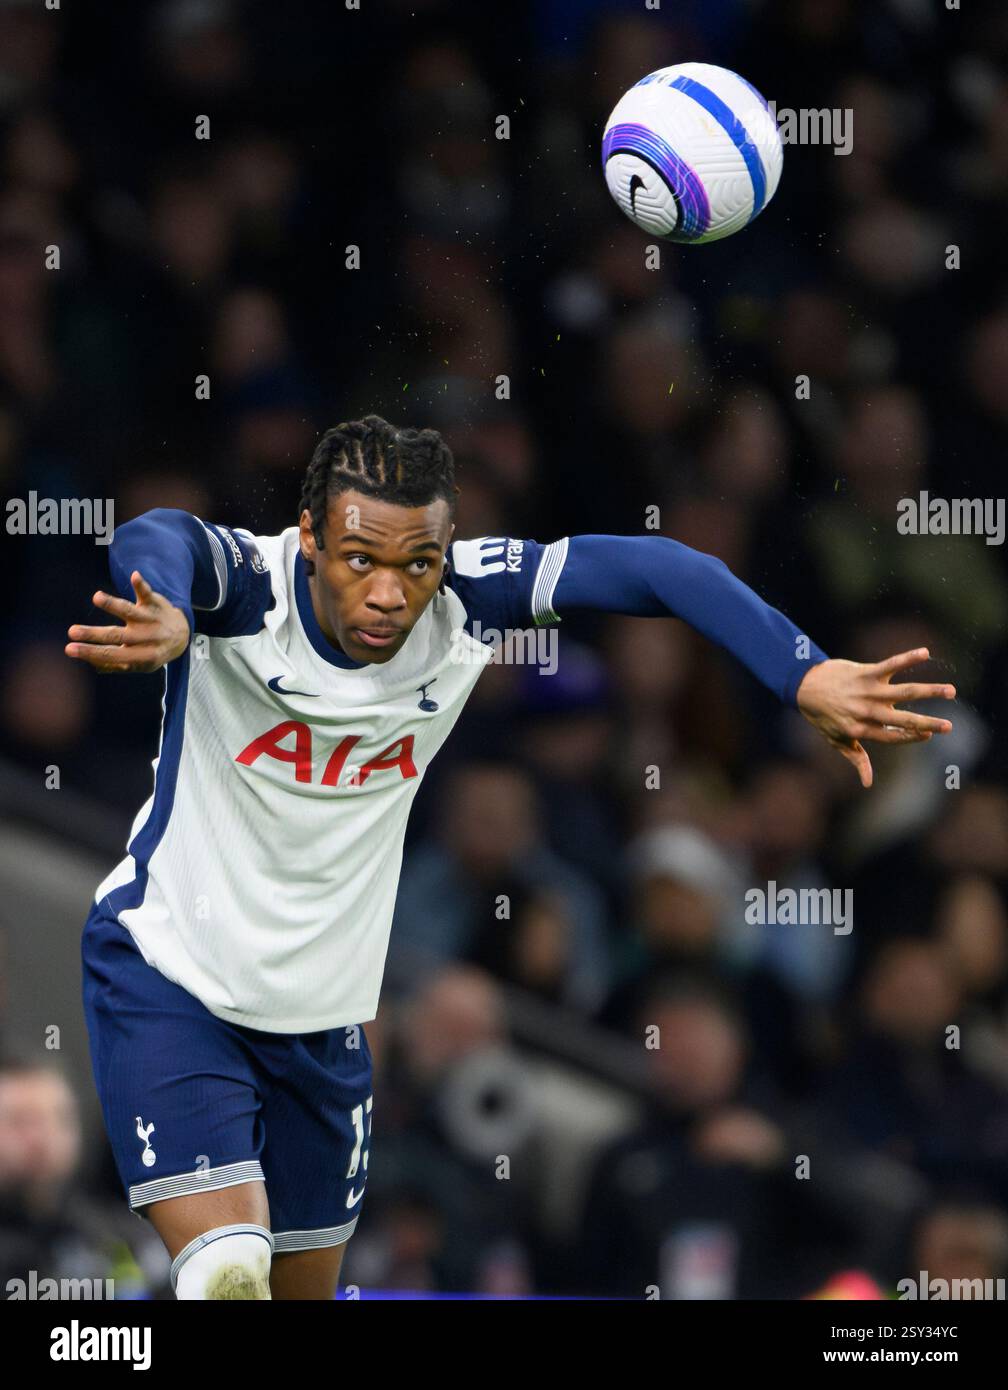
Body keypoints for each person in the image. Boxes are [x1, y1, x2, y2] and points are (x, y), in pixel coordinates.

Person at [65, 413, 956, 1299]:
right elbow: (159, 533)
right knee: (227, 1273)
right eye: (359, 559)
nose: (388, 594)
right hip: (170, 973)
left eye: (417, 564)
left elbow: (662, 568)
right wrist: (172, 609)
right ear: (309, 540)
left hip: (318, 1023)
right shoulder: (245, 586)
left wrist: (800, 672)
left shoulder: (472, 599)